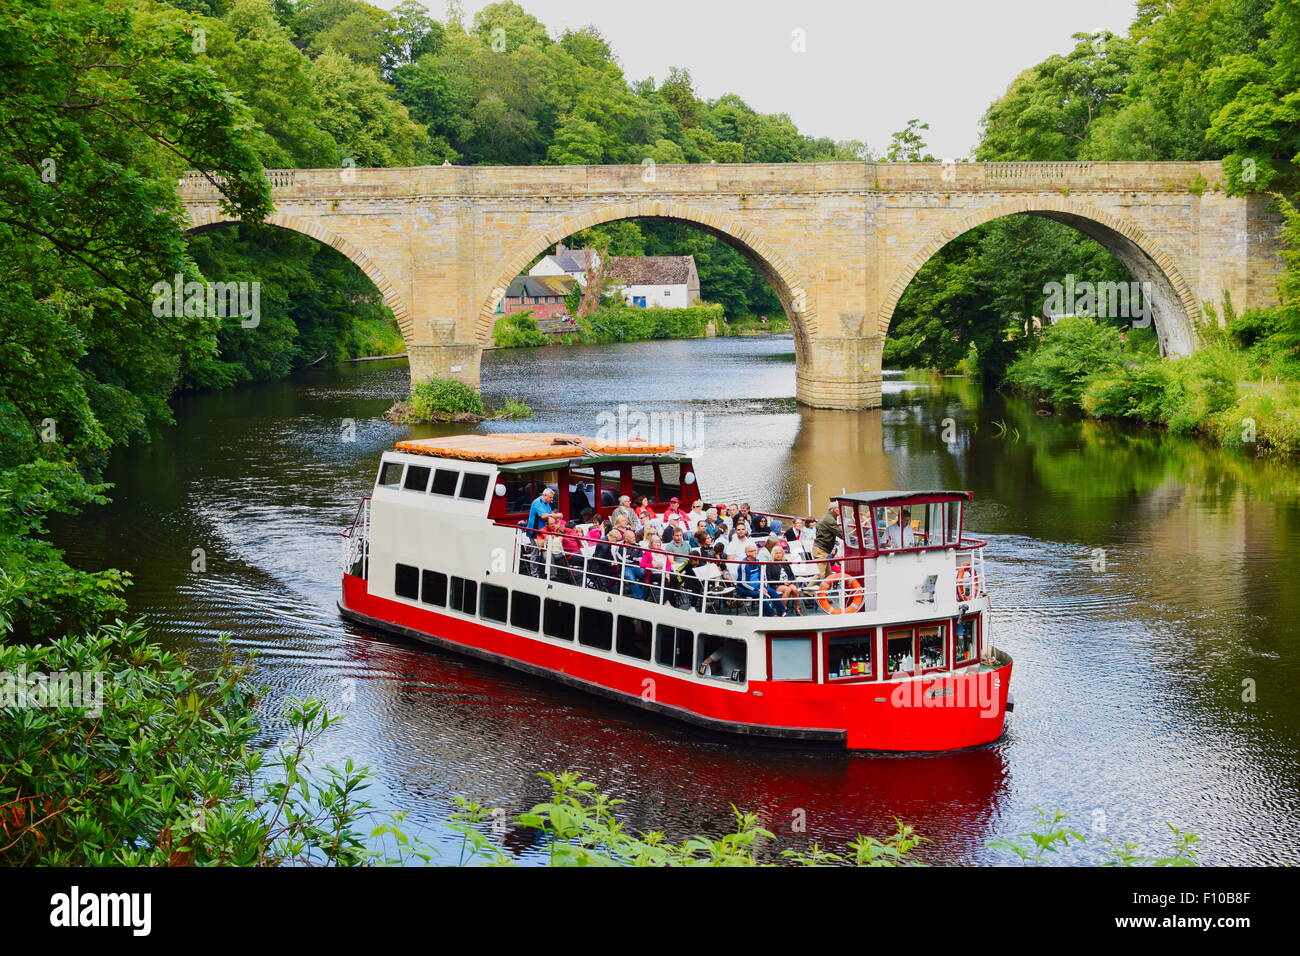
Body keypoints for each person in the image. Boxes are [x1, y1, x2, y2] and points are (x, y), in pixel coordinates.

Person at [765, 544, 803, 615]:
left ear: (782, 554)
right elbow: (769, 579)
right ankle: (782, 609)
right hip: (776, 584)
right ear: (773, 554)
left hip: (788, 583)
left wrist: (789, 582)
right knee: (787, 589)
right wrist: (783, 583)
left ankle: (797, 608)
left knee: (795, 590)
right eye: (776, 553)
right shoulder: (769, 564)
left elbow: (792, 576)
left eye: (780, 553)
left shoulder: (785, 562)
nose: (778, 555)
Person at [812, 500, 843, 582]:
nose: (841, 510)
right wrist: (851, 539)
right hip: (821, 551)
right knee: (821, 574)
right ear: (835, 510)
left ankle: (826, 593)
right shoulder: (830, 520)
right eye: (839, 509)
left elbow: (824, 533)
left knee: (828, 575)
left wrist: (834, 541)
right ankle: (807, 592)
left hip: (821, 549)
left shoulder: (826, 517)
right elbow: (840, 533)